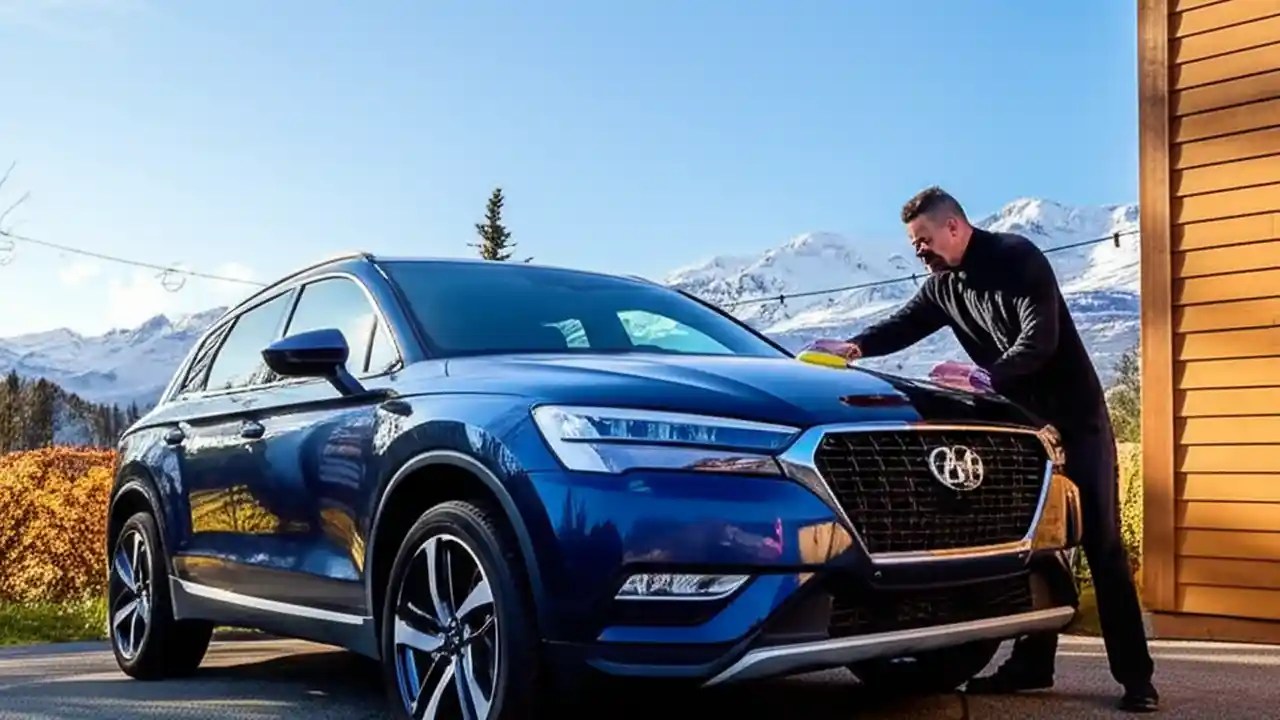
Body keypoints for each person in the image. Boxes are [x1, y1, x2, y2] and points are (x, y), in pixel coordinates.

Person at [820, 186, 1158, 713]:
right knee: (1032, 548)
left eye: (923, 240)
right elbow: (903, 323)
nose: (919, 252)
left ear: (953, 227)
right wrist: (855, 345)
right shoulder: (942, 287)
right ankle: (1032, 666)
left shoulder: (1016, 257)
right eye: (915, 244)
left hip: (1076, 421)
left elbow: (1039, 339)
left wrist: (986, 375)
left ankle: (1137, 679)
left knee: (1101, 544)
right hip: (1023, 429)